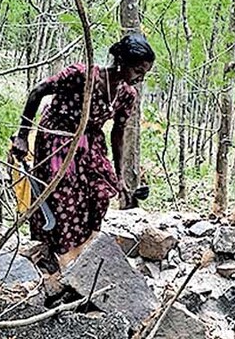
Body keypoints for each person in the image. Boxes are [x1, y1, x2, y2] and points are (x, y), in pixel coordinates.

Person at [10, 34, 154, 267]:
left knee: (101, 191)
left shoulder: (127, 95)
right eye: (138, 70)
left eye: (145, 73)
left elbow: (118, 134)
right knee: (63, 193)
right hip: (59, 135)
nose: (140, 78)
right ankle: (58, 254)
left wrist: (119, 175)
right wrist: (23, 136)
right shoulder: (81, 76)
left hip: (90, 140)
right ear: (122, 62)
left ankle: (83, 253)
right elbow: (38, 91)